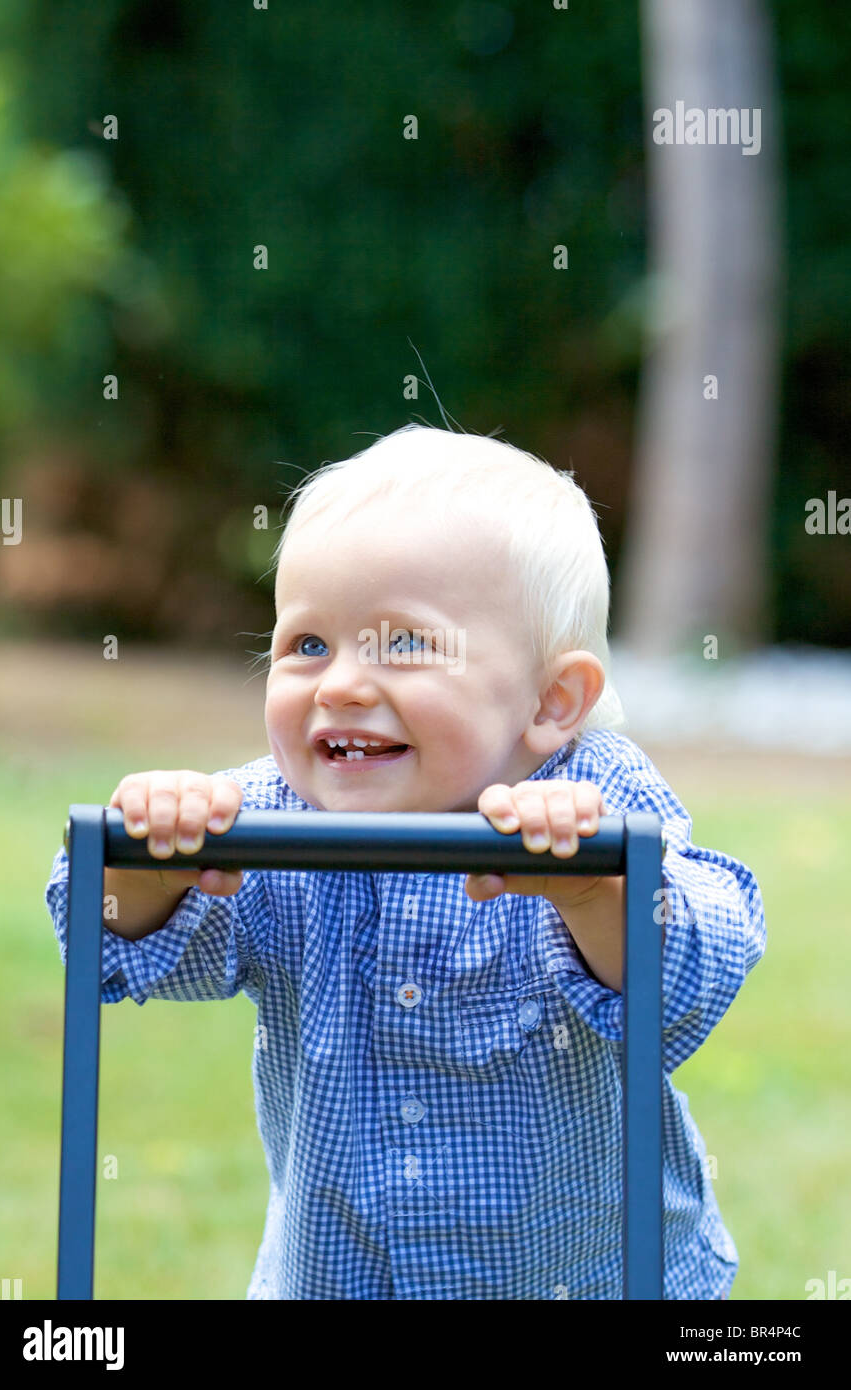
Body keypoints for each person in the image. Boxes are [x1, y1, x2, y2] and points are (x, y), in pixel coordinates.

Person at [45, 423, 766, 1299]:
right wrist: (147, 862)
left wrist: (592, 891)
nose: (340, 683)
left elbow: (691, 976)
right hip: (343, 1280)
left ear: (550, 700)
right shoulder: (263, 815)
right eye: (307, 646)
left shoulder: (595, 798)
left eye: (404, 645)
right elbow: (113, 947)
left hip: (591, 1279)